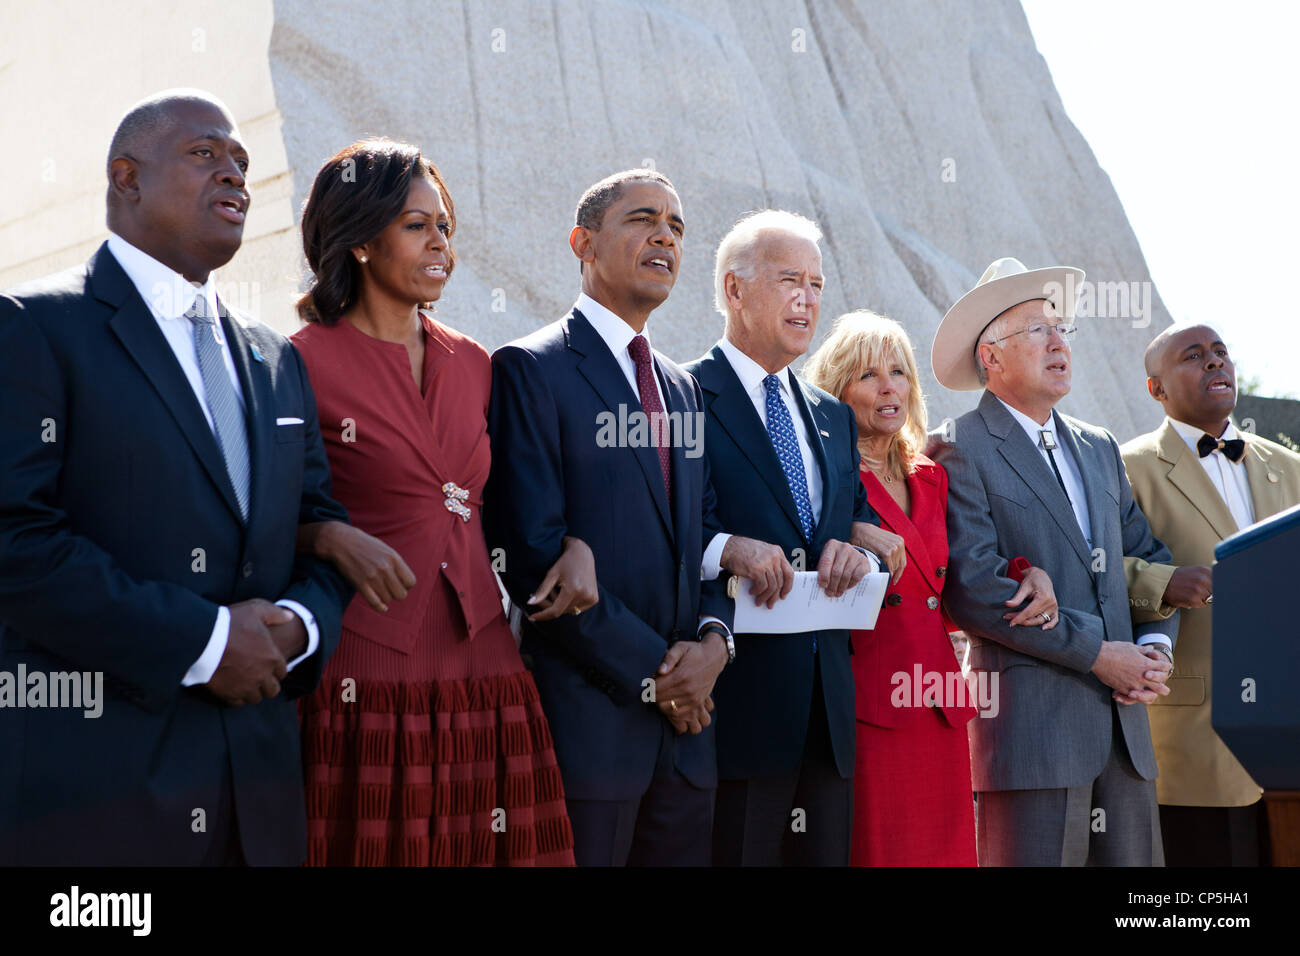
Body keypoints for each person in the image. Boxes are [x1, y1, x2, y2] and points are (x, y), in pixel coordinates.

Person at [0, 89, 353, 865]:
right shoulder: (31, 327)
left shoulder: (275, 357)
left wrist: (299, 627)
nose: (234, 173)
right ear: (126, 178)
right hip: (101, 796)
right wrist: (205, 641)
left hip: (257, 798)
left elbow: (316, 523)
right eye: (205, 154)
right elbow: (15, 540)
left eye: (242, 160)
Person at [290, 139, 582, 866]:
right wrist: (322, 536)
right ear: (360, 240)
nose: (441, 244)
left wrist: (572, 544)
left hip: (487, 666)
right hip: (368, 673)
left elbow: (510, 504)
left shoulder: (477, 363)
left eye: (445, 226)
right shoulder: (296, 361)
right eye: (417, 225)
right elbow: (263, 514)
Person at [484, 169, 734, 866]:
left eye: (677, 227)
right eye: (643, 219)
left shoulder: (684, 390)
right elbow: (531, 556)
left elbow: (709, 538)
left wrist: (717, 645)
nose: (665, 236)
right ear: (583, 244)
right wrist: (660, 676)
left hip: (689, 738)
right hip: (590, 729)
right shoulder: (528, 370)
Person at [929, 256, 1179, 866]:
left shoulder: (1098, 447)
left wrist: (1154, 649)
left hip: (1126, 744)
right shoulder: (957, 447)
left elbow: (1147, 559)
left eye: (1062, 327)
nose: (1058, 340)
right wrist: (1100, 655)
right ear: (990, 356)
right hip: (1031, 742)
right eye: (1037, 329)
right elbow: (978, 590)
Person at [804, 309, 1062, 865]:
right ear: (836, 391)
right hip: (872, 706)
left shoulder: (932, 474)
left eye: (899, 372)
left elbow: (955, 585)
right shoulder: (822, 476)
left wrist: (1023, 572)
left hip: (939, 704)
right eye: (868, 375)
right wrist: (850, 529)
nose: (889, 386)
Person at [684, 211, 887, 866]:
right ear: (734, 290)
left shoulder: (831, 414)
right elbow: (658, 525)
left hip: (826, 719)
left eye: (818, 284)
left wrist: (861, 548)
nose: (808, 298)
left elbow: (857, 516)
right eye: (790, 280)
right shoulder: (680, 395)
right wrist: (725, 548)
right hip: (731, 710)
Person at [1121, 324, 1300, 866]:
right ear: (1157, 390)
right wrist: (1162, 584)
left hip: (1287, 722)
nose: (1215, 363)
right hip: (1193, 733)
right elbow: (1092, 570)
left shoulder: (1290, 467)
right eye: (1194, 356)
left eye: (1220, 353)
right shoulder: (1126, 468)